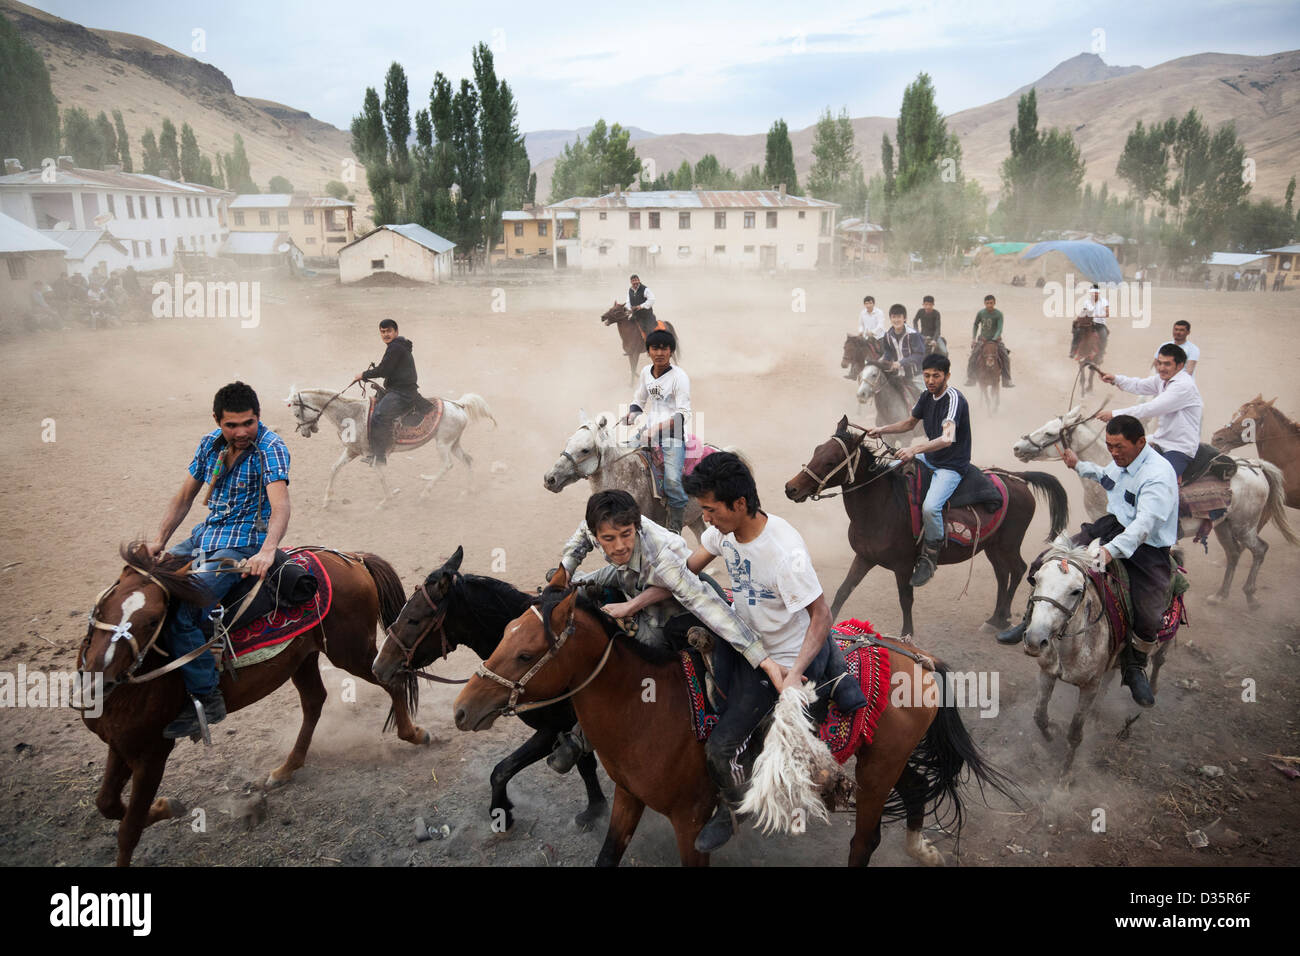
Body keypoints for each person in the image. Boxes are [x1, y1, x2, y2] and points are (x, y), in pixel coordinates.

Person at [682, 452, 869, 853]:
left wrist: (793, 675)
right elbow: (689, 567)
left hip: (784, 656)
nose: (706, 519)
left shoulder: (785, 554)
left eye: (711, 510)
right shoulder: (723, 533)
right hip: (747, 642)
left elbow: (821, 615)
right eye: (703, 511)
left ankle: (734, 810)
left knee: (721, 747)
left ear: (740, 504)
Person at [545, 489, 768, 773]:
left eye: (626, 535)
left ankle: (582, 738)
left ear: (637, 527)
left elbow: (700, 601)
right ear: (597, 533)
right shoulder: (599, 525)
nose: (618, 547)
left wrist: (758, 655)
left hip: (675, 606)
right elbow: (580, 539)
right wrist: (564, 572)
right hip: (630, 578)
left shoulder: (664, 551)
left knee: (636, 656)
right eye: (608, 539)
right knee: (576, 595)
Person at [997, 416, 1178, 708]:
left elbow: (1145, 524)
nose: (1114, 453)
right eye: (1109, 446)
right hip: (1110, 525)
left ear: (1140, 443)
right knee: (1044, 563)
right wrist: (1078, 465)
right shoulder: (1122, 463)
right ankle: (1030, 622)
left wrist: (1110, 551)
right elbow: (1107, 477)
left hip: (1147, 546)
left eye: (1119, 447)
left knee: (1149, 609)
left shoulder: (1158, 474)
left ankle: (1134, 665)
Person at [147, 382, 291, 738]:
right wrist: (159, 541)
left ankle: (206, 695)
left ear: (258, 417)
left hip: (241, 545)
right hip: (204, 535)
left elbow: (281, 505)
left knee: (183, 608)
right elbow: (184, 497)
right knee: (145, 584)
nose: (241, 432)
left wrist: (268, 550)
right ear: (218, 421)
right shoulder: (210, 443)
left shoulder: (270, 449)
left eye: (248, 422)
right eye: (232, 425)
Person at [867, 354, 972, 588]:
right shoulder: (926, 396)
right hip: (931, 457)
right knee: (888, 471)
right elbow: (908, 423)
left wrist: (914, 449)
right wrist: (881, 429)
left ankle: (931, 554)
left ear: (947, 376)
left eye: (936, 375)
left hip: (951, 464)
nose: (931, 380)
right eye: (927, 375)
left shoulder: (954, 399)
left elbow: (946, 439)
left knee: (931, 507)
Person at [1098, 343, 1202, 479]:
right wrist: (1116, 379)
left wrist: (1114, 414)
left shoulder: (1183, 386)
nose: (1161, 368)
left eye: (1167, 364)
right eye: (1159, 363)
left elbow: (1151, 408)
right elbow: (1139, 385)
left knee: (1159, 481)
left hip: (1178, 447)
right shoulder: (1163, 379)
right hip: (1159, 439)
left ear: (1180, 366)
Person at [625, 327, 691, 533]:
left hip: (673, 436)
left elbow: (684, 413)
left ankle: (675, 528)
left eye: (664, 349)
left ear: (671, 351)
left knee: (672, 481)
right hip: (648, 431)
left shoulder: (679, 377)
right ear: (648, 351)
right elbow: (639, 400)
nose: (660, 353)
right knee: (619, 458)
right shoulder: (646, 372)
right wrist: (632, 414)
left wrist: (658, 428)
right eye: (655, 348)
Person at [352, 318, 422, 466]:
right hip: (397, 388)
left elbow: (384, 370)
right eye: (382, 332)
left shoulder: (395, 347)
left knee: (378, 415)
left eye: (389, 331)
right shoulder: (397, 346)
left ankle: (380, 457)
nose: (385, 334)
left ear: (396, 332)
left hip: (402, 392)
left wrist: (363, 375)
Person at [879, 303, 926, 403]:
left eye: (899, 317)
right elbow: (888, 352)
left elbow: (919, 355)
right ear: (890, 319)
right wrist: (885, 362)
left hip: (915, 376)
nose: (896, 320)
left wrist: (901, 363)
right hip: (897, 376)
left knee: (928, 400)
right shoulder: (887, 336)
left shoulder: (913, 334)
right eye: (893, 317)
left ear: (905, 318)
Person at [965, 293, 1014, 388]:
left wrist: (994, 338)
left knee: (1005, 356)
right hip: (983, 339)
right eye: (987, 303)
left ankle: (1007, 379)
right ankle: (971, 378)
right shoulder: (981, 313)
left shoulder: (999, 314)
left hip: (996, 340)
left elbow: (1000, 328)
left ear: (994, 303)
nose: (989, 305)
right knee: (973, 356)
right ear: (984, 303)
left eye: (991, 303)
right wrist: (973, 338)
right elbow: (975, 324)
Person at [1071, 283, 1110, 361]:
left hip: (1100, 324)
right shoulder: (1087, 302)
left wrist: (1095, 316)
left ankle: (1100, 355)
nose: (1094, 294)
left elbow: (1107, 314)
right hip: (1088, 324)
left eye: (1096, 293)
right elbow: (1084, 312)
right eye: (1092, 293)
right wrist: (1079, 319)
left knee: (1104, 335)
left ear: (1098, 293)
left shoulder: (1104, 301)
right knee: (1077, 332)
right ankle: (1073, 350)